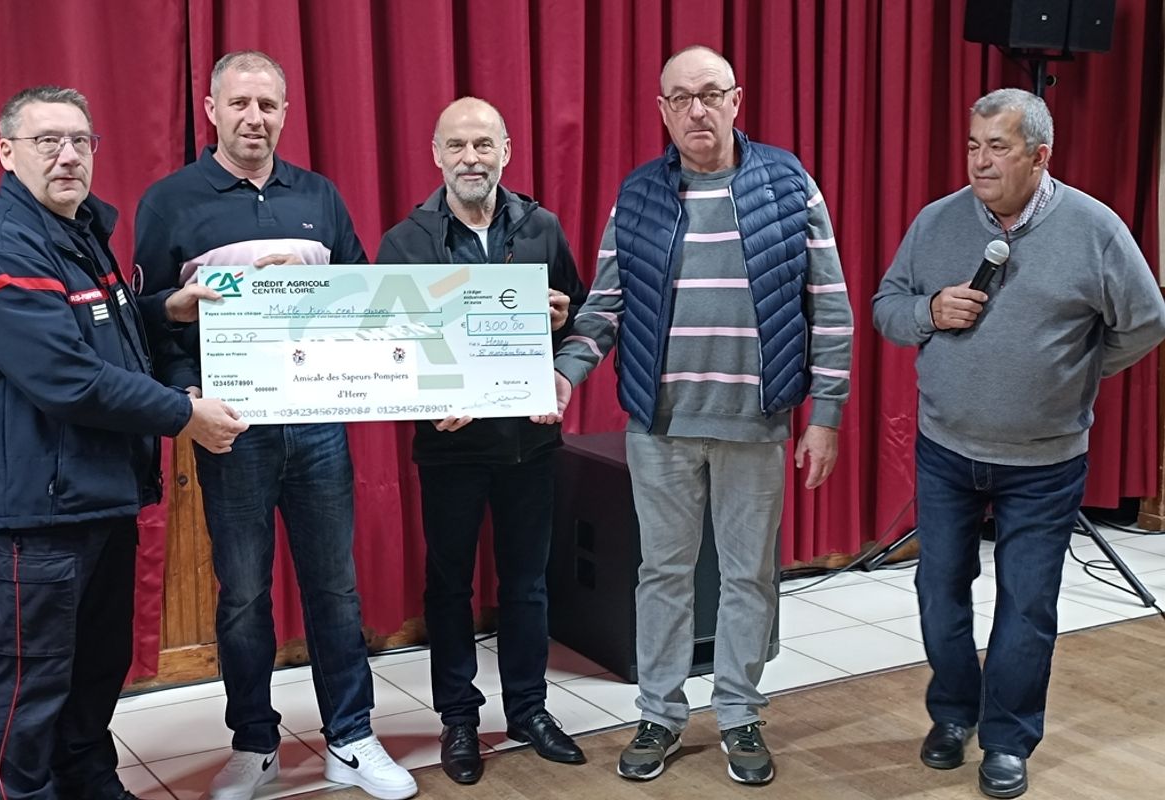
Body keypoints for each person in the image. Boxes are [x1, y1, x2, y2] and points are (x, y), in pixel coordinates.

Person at [540, 46, 853, 785]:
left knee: (749, 577)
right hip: (661, 426)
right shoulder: (640, 194)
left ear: (737, 100)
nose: (696, 110)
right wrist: (565, 372)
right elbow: (606, 304)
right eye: (680, 99)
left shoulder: (788, 183)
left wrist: (827, 412)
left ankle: (741, 715)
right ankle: (659, 712)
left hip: (756, 421)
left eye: (710, 94)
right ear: (662, 111)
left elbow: (829, 305)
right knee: (663, 574)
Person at [134, 51, 416, 800]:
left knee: (336, 590)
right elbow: (150, 323)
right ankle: (254, 744)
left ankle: (351, 739)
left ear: (285, 113)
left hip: (319, 426)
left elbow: (363, 298)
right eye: (240, 104)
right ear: (211, 109)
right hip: (235, 429)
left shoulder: (319, 197)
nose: (254, 117)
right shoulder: (171, 202)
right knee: (244, 597)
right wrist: (185, 409)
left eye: (268, 105)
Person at [873, 87, 1165, 799]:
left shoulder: (1094, 229)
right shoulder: (938, 222)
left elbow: (1146, 320)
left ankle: (1007, 739)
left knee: (1027, 603)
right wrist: (929, 310)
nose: (979, 162)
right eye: (973, 146)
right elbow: (886, 307)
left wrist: (1076, 373)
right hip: (946, 449)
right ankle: (952, 715)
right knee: (939, 591)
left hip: (1045, 461)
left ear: (1040, 155)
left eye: (997, 148)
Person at [0, 85, 247, 800]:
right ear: (7, 152)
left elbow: (103, 335)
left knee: (97, 665)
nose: (67, 157)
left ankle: (89, 778)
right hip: (42, 511)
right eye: (46, 142)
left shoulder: (80, 231)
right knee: (35, 677)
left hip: (100, 495)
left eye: (80, 141)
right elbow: (68, 378)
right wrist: (183, 417)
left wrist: (162, 309)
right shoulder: (2, 247)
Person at [375, 96, 588, 784]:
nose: (472, 158)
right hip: (450, 450)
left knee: (527, 584)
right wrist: (425, 400)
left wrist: (561, 321)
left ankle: (528, 711)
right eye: (458, 146)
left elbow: (578, 315)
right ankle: (459, 721)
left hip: (529, 443)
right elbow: (385, 350)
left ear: (507, 152)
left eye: (484, 145)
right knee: (450, 589)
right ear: (436, 155)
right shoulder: (405, 241)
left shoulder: (542, 228)